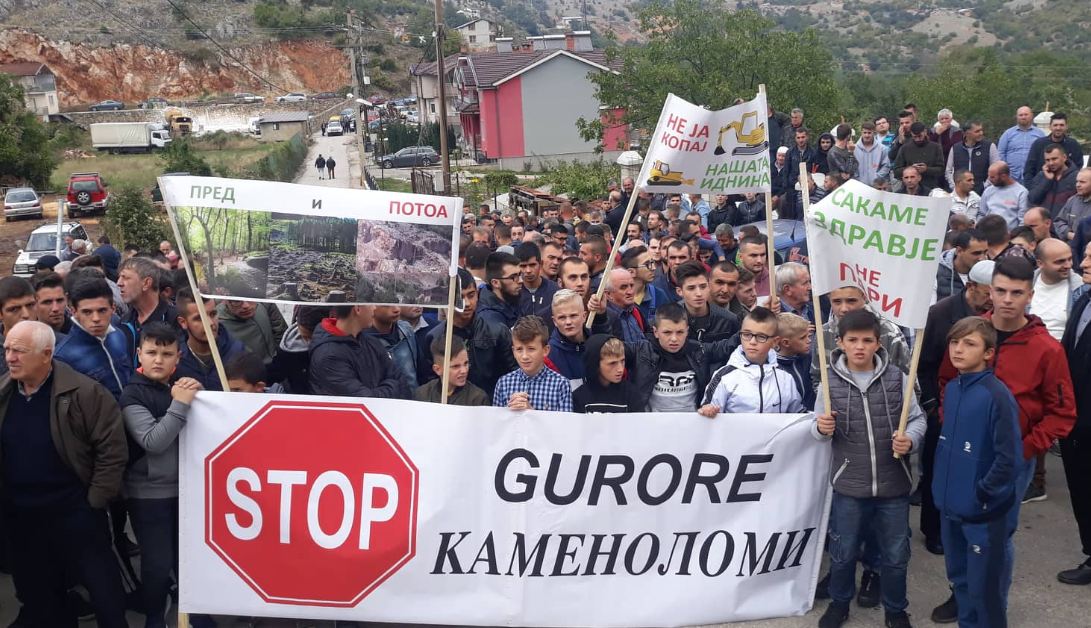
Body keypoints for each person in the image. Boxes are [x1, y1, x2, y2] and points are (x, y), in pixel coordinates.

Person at [0, 321, 128, 628]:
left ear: (46, 355)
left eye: (19, 351)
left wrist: (94, 503)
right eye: (7, 349)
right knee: (38, 592)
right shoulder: (4, 392)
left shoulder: (86, 393)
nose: (10, 357)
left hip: (75, 513)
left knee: (102, 588)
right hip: (23, 517)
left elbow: (112, 452)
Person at [813, 309, 925, 628]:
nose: (859, 347)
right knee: (843, 551)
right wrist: (821, 428)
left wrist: (911, 439)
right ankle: (839, 603)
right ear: (840, 342)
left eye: (867, 340)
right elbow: (816, 430)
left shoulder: (896, 378)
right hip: (849, 484)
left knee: (895, 554)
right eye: (852, 340)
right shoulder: (829, 383)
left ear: (879, 344)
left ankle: (895, 609)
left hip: (894, 485)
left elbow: (917, 418)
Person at [120, 322, 216, 628]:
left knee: (186, 559)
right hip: (147, 495)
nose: (158, 359)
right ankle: (154, 617)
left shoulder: (180, 388)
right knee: (157, 563)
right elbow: (153, 441)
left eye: (166, 353)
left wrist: (190, 397)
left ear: (178, 357)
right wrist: (181, 403)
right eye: (151, 352)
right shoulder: (132, 395)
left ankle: (197, 616)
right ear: (139, 355)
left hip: (186, 489)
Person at [934, 316, 1023, 628]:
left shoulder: (996, 395)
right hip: (950, 507)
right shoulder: (955, 389)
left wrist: (983, 493)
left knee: (985, 592)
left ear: (988, 353)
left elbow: (1009, 458)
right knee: (960, 582)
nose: (958, 349)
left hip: (981, 514)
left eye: (969, 343)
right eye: (954, 342)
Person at [918, 260, 995, 558]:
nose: (993, 298)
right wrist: (932, 407)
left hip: (976, 408)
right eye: (989, 292)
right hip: (943, 407)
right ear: (971, 287)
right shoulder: (940, 313)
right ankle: (933, 529)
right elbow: (924, 365)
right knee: (937, 470)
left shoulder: (995, 316)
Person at [421, 269, 517, 396]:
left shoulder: (498, 332)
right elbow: (430, 382)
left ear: (477, 294)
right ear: (447, 299)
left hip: (490, 408)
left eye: (471, 295)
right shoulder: (434, 337)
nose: (467, 303)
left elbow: (513, 376)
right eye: (459, 298)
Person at [698, 306, 802, 416]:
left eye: (761, 336)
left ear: (775, 342)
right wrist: (708, 410)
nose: (752, 342)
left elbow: (797, 415)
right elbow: (707, 412)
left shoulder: (785, 378)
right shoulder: (724, 376)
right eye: (747, 335)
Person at [1058, 241, 1091, 585]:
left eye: (1090, 257)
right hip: (1075, 421)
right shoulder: (1083, 298)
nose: (1083, 261)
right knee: (1081, 490)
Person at [54, 278, 134, 401]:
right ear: (74, 312)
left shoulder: (119, 335)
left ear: (113, 308)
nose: (96, 318)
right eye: (87, 312)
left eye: (102, 310)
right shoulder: (63, 357)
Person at [174, 287, 247, 391]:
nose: (210, 323)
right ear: (183, 322)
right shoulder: (174, 358)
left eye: (213, 314)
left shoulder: (238, 353)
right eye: (199, 318)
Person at [493, 316, 572, 412]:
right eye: (519, 349)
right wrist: (509, 413)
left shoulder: (561, 385)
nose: (525, 356)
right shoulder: (503, 384)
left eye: (531, 349)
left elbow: (564, 426)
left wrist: (531, 412)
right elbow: (497, 424)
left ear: (545, 350)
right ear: (513, 351)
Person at [674, 261, 740, 346]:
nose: (699, 293)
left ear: (709, 286)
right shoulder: (668, 318)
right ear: (679, 291)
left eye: (703, 287)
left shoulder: (730, 320)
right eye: (691, 288)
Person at [573, 335, 641, 413]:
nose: (620, 369)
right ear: (596, 364)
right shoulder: (579, 397)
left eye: (622, 361)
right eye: (612, 363)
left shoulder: (632, 394)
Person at [1030, 238, 1082, 341]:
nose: (1068, 265)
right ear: (1040, 264)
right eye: (1060, 262)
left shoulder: (1082, 290)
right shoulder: (1024, 285)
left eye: (1070, 259)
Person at [415, 336, 489, 406]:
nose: (464, 371)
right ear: (438, 369)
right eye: (456, 366)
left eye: (466, 363)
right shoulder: (423, 395)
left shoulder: (477, 399)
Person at [268, 305, 325, 395]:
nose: (309, 343)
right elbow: (273, 375)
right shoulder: (288, 351)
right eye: (305, 338)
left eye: (313, 338)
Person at [364, 306, 419, 396]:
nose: (396, 309)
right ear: (372, 306)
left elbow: (421, 370)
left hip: (413, 403)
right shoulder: (362, 340)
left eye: (398, 303)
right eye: (387, 305)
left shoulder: (407, 331)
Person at [117, 257, 178, 333]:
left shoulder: (175, 319)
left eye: (125, 278)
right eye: (119, 277)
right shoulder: (123, 323)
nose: (119, 283)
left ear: (146, 283)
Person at [216, 299, 287, 365]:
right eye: (237, 301)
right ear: (224, 300)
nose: (246, 306)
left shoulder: (265, 303)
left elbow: (281, 333)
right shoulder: (217, 326)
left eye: (249, 298)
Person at [1023, 113, 1084, 187]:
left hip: (1066, 189)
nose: (1058, 128)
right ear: (1050, 127)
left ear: (1066, 127)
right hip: (1043, 187)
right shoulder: (1039, 144)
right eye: (1055, 125)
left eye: (1061, 125)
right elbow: (1029, 169)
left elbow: (1078, 167)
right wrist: (1030, 188)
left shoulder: (1073, 144)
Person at [933, 229, 987, 305]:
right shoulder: (935, 272)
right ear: (959, 251)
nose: (982, 258)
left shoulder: (990, 271)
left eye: (985, 252)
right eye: (976, 253)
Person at [776, 312, 816, 411]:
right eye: (803, 338)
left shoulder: (807, 360)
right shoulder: (774, 368)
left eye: (809, 336)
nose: (809, 341)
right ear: (786, 342)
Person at [1027, 144, 1079, 219]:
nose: (1051, 163)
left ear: (1064, 157)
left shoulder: (1077, 176)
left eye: (1054, 159)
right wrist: (1047, 180)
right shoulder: (1041, 175)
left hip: (1065, 226)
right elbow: (1033, 199)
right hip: (1044, 224)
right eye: (1047, 160)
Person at [892, 121, 946, 192]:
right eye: (915, 137)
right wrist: (911, 170)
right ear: (911, 134)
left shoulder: (936, 147)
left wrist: (927, 169)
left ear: (925, 132)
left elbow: (941, 170)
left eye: (920, 136)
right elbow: (896, 171)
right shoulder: (905, 148)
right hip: (909, 189)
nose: (917, 139)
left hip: (930, 188)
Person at [998, 106, 1045, 184]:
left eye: (1026, 114)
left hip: (1033, 175)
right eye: (1021, 115)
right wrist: (1005, 171)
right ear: (1017, 117)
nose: (1023, 117)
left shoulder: (1040, 134)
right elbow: (1001, 153)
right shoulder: (1008, 134)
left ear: (1031, 116)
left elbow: (1044, 153)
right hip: (1012, 175)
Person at [477, 251, 524, 329]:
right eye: (513, 277)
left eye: (520, 274)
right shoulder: (488, 319)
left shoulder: (513, 300)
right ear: (495, 283)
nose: (520, 280)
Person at [977, 162, 1029, 231]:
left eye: (992, 177)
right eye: (989, 176)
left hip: (1010, 235)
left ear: (1003, 176)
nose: (989, 179)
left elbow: (1023, 220)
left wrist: (1016, 236)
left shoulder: (1021, 192)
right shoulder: (988, 190)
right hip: (987, 234)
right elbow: (981, 214)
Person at [621, 246, 668, 320]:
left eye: (652, 263)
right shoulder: (618, 298)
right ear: (631, 272)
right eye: (647, 264)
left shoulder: (659, 295)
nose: (653, 268)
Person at [516, 242, 558, 315]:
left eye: (532, 265)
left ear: (541, 264)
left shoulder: (555, 291)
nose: (528, 270)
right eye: (523, 266)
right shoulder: (513, 293)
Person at [1057, 167, 1091, 244]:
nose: (1078, 185)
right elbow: (1058, 221)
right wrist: (1069, 234)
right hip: (1071, 249)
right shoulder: (1072, 200)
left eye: (1082, 182)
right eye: (1077, 181)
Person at [855, 121, 891, 187]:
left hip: (878, 187)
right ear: (861, 133)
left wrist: (876, 178)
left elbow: (886, 166)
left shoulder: (883, 148)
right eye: (864, 133)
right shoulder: (854, 149)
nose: (866, 135)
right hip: (859, 186)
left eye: (869, 133)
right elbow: (852, 167)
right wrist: (858, 179)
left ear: (873, 133)